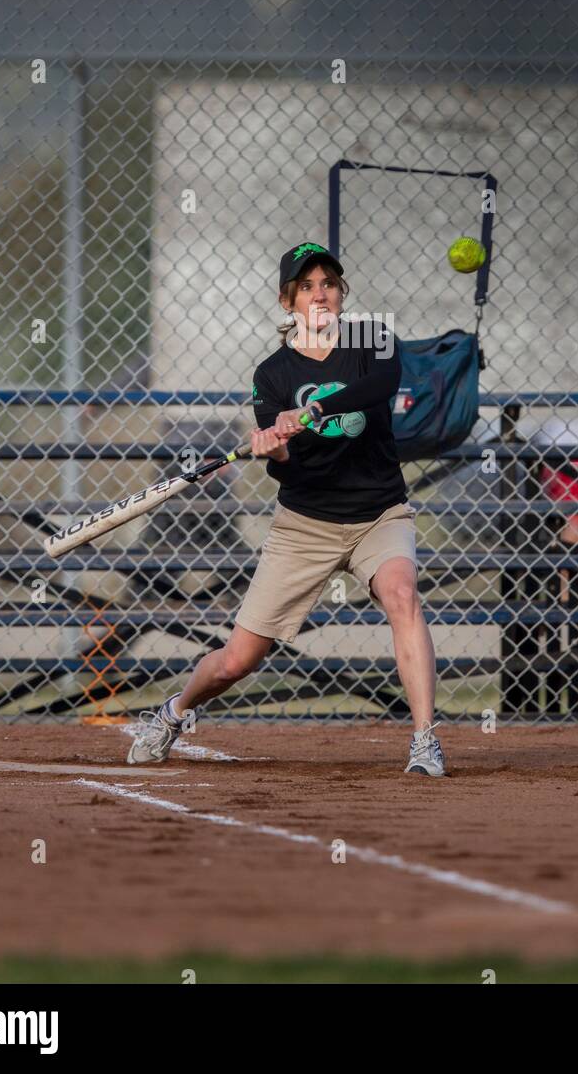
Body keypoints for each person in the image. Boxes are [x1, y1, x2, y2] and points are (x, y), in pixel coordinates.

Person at [127, 241, 445, 776]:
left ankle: (424, 740)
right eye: (307, 287)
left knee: (402, 594)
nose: (320, 295)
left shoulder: (371, 340)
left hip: (379, 514)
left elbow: (381, 386)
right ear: (288, 301)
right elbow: (288, 472)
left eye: (329, 284)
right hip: (305, 525)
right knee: (237, 661)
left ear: (341, 294)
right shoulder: (271, 375)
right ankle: (174, 713)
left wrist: (314, 409)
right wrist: (274, 450)